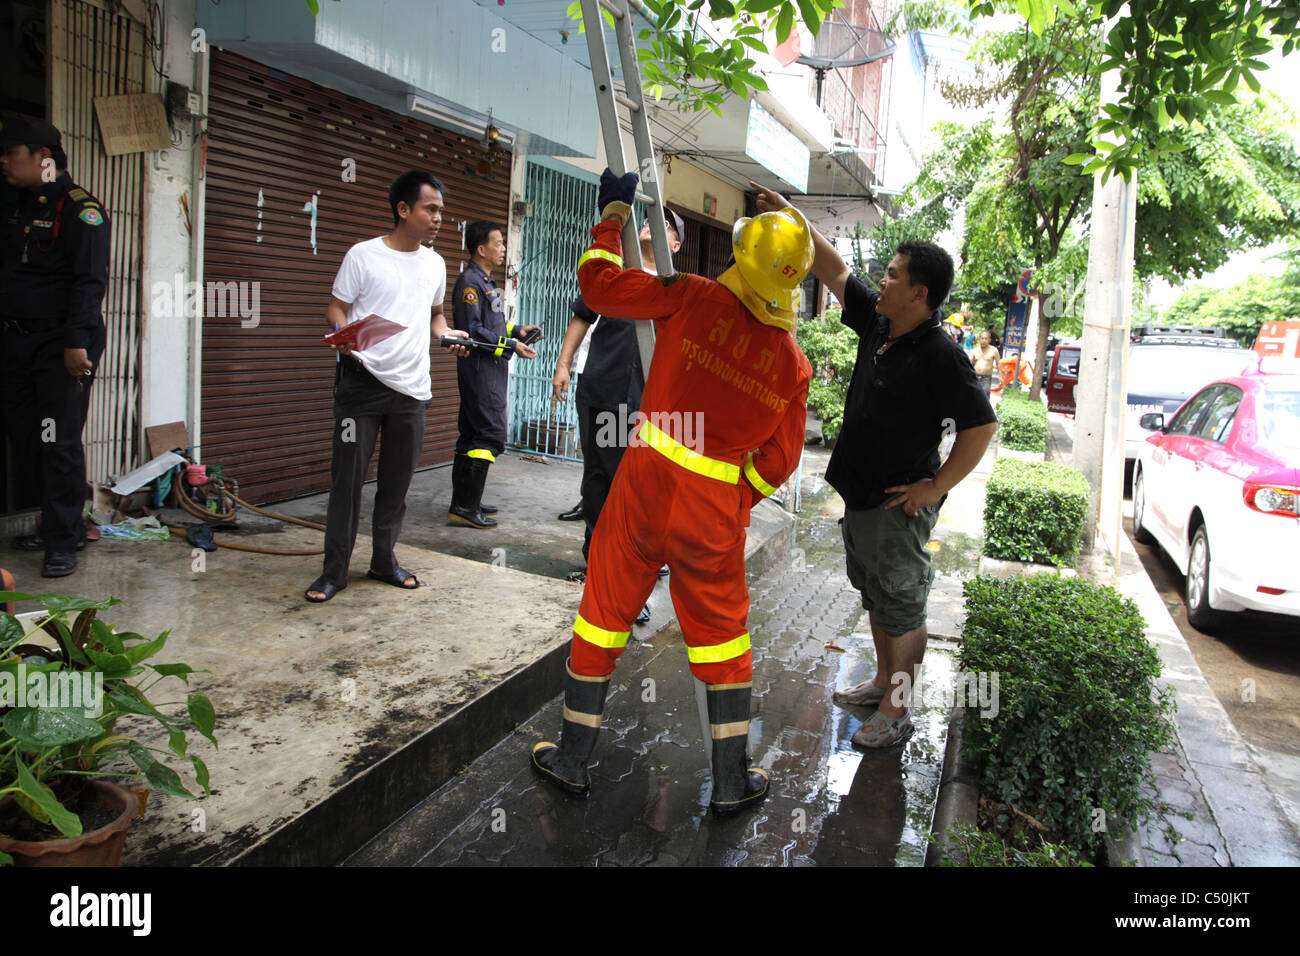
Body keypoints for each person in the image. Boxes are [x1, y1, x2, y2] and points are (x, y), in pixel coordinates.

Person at [531, 171, 812, 817]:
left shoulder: (691, 295)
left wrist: (612, 213)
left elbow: (598, 285)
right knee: (721, 637)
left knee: (604, 609)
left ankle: (572, 759)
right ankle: (732, 782)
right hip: (712, 512)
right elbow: (782, 459)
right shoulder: (794, 366)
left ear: (742, 258)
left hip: (644, 482)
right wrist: (737, 497)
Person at [753, 182, 998, 749]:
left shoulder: (941, 355)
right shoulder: (881, 325)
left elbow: (981, 426)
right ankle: (886, 685)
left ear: (921, 292)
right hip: (861, 497)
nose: (881, 281)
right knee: (877, 597)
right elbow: (835, 271)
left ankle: (898, 709)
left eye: (892, 275)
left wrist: (934, 487)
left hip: (896, 504)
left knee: (904, 605)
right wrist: (793, 215)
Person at [304, 170, 469, 603]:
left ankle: (383, 560)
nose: (438, 219)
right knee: (347, 481)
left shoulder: (435, 263)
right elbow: (335, 308)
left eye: (441, 211)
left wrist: (446, 335)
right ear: (403, 209)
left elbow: (435, 315)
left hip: (413, 391)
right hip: (360, 386)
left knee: (395, 485)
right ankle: (333, 572)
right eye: (430, 209)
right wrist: (343, 337)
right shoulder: (363, 256)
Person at [0, 117, 109, 578]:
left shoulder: (80, 209)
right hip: (17, 339)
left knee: (58, 440)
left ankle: (63, 539)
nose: (3, 161)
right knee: (28, 437)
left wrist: (75, 342)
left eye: (11, 153)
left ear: (44, 156)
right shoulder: (16, 205)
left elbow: (89, 281)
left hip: (61, 344)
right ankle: (52, 523)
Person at [552, 207, 683, 569]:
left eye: (664, 224)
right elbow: (582, 315)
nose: (648, 224)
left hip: (648, 404)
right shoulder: (618, 275)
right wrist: (563, 364)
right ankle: (597, 560)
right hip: (601, 391)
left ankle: (636, 565)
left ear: (673, 244)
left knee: (640, 485)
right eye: (646, 219)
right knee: (598, 478)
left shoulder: (680, 290)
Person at [447, 220, 540, 528]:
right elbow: (473, 332)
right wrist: (512, 344)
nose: (503, 249)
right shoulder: (469, 284)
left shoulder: (488, 282)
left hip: (492, 369)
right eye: (499, 243)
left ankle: (465, 501)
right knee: (490, 435)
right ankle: (465, 504)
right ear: (481, 249)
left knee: (472, 434)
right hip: (479, 370)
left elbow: (495, 326)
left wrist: (518, 331)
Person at [969, 328, 1000, 395]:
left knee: (985, 396)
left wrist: (1000, 376)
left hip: (986, 378)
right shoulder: (975, 350)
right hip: (975, 376)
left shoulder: (994, 350)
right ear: (979, 339)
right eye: (982, 338)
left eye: (986, 339)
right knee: (974, 395)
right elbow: (969, 364)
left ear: (989, 340)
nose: (984, 340)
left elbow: (998, 364)